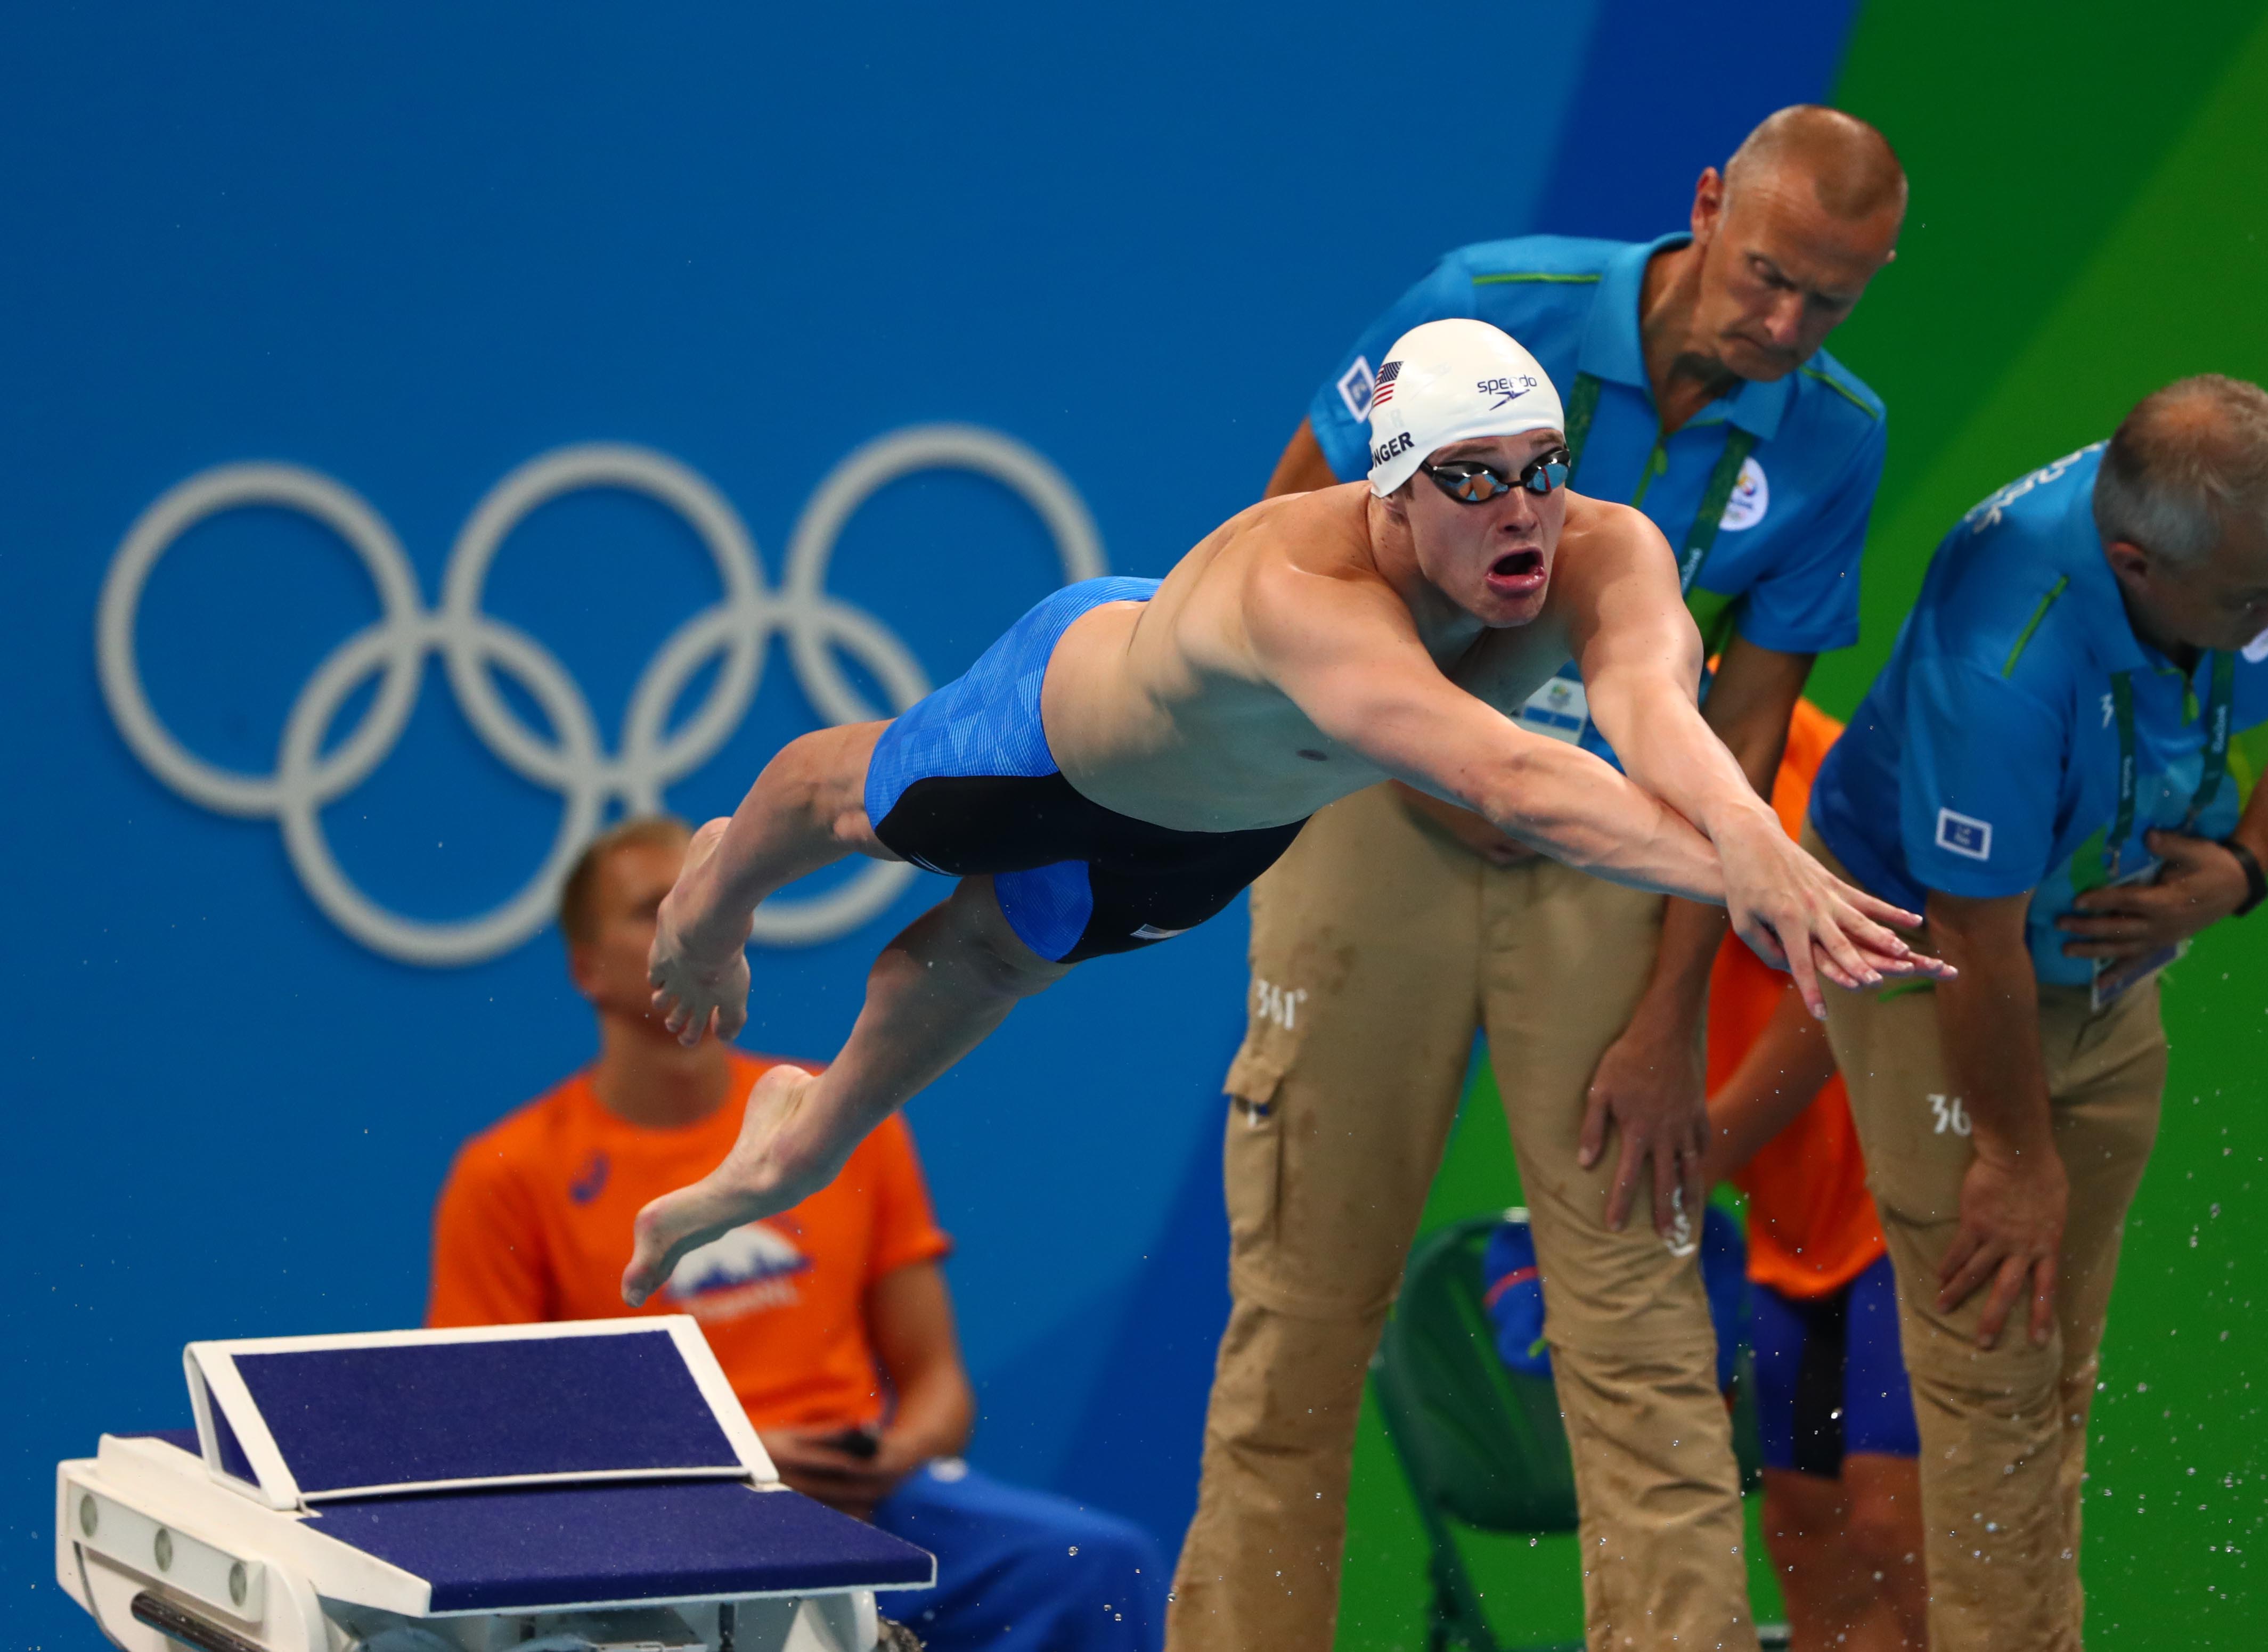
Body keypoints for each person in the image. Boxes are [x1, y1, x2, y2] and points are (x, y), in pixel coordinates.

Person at [621, 314, 1944, 1311]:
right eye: (1475, 479)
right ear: (1396, 489)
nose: (1525, 509)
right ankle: (711, 890)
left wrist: (1761, 846)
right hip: (1065, 733)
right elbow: (1521, 782)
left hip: (1225, 825)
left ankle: (789, 1154)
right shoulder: (1308, 598)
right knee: (866, 802)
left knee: (979, 961)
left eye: (1544, 467)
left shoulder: (1606, 548)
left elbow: (1661, 719)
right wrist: (1747, 877)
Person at [1168, 106, 1910, 1651]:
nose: (1780, 324)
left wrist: (1666, 1019)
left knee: (1639, 1333)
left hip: (1606, 869)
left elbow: (1746, 726)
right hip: (1377, 817)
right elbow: (1277, 534)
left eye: (1826, 301)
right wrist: (1340, 754)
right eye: (1763, 273)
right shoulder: (1482, 302)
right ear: (1705, 202)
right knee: (1299, 1320)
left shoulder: (1834, 436)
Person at [1805, 375, 2268, 1650]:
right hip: (1929, 954)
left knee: (2058, 1373)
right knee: (1993, 1375)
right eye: (2243, 602)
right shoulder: (1999, 658)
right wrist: (2011, 1152)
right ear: (2134, 565)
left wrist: (2245, 868)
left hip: (2105, 950)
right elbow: (1971, 933)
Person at [427, 816, 1167, 1652]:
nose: (687, 915)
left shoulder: (839, 1111)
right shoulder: (509, 1172)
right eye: (650, 906)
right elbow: (484, 1438)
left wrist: (891, 1455)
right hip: (666, 1520)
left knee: (1096, 1564)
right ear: (585, 966)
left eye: (704, 891)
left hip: (874, 1508)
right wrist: (726, 1462)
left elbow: (937, 1387)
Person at [1700, 697, 1926, 1652]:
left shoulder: (1804, 755)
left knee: (1896, 1520)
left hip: (1893, 1207)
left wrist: (1693, 1157)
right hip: (1782, 1228)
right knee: (1800, 1519)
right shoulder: (1576, 749)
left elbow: (1845, 987)